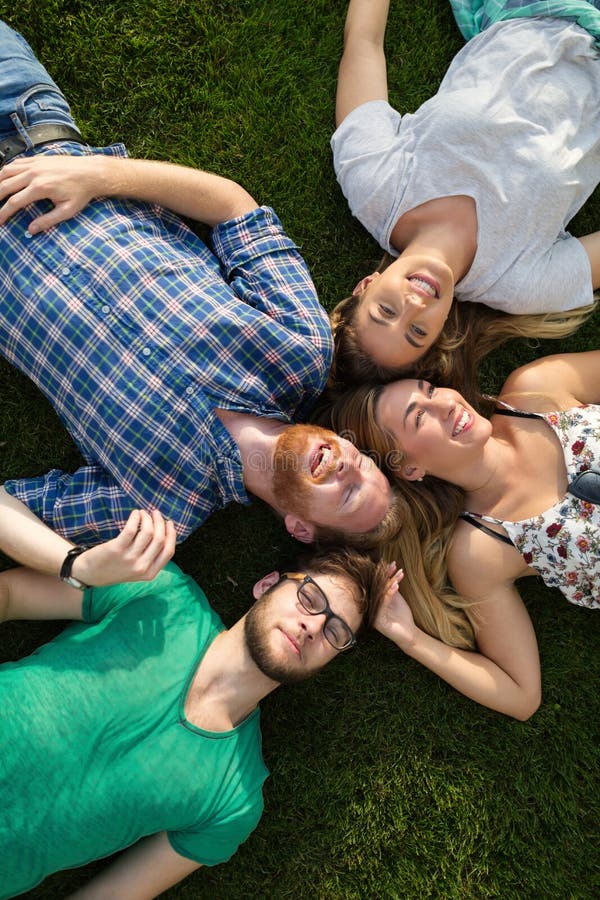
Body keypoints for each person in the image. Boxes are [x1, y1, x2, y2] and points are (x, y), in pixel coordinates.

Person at [0, 19, 398, 549]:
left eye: (348, 496)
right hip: (28, 126)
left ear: (301, 528)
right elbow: (236, 209)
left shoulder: (161, 509)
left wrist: (79, 568)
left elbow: (17, 511)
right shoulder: (301, 348)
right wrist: (95, 175)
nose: (346, 465)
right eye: (363, 463)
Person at [0, 486, 391, 898]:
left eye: (335, 632)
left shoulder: (233, 800)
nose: (314, 625)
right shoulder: (158, 592)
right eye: (310, 597)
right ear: (267, 585)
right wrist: (80, 565)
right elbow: (8, 596)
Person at [329, 0, 600, 393]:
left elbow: (364, 45)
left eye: (385, 311)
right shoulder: (518, 281)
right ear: (440, 334)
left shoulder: (374, 185)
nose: (414, 305)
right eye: (417, 332)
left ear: (366, 285)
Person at [323, 351, 600, 720]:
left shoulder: (534, 391)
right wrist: (411, 639)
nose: (446, 404)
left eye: (432, 390)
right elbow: (520, 695)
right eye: (420, 417)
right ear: (410, 468)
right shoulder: (481, 548)